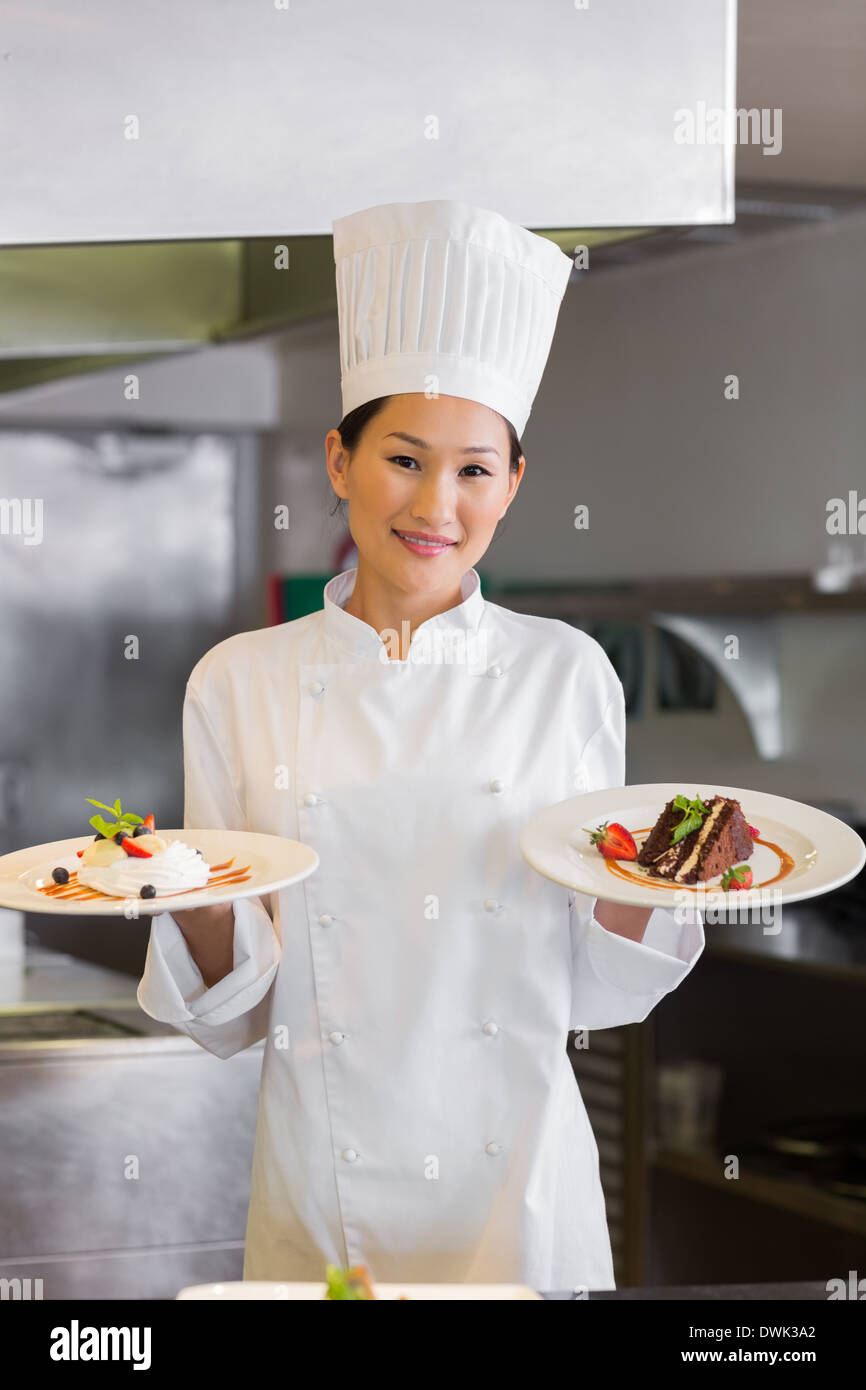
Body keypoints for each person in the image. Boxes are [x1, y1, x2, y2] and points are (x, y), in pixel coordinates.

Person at [138, 198, 704, 1291]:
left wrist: (658, 868)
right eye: (402, 458)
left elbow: (602, 986)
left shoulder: (565, 673)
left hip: (521, 1187)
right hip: (321, 1186)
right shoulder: (237, 680)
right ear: (339, 460)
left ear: (513, 484)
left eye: (474, 470)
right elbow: (233, 1011)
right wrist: (187, 896)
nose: (435, 504)